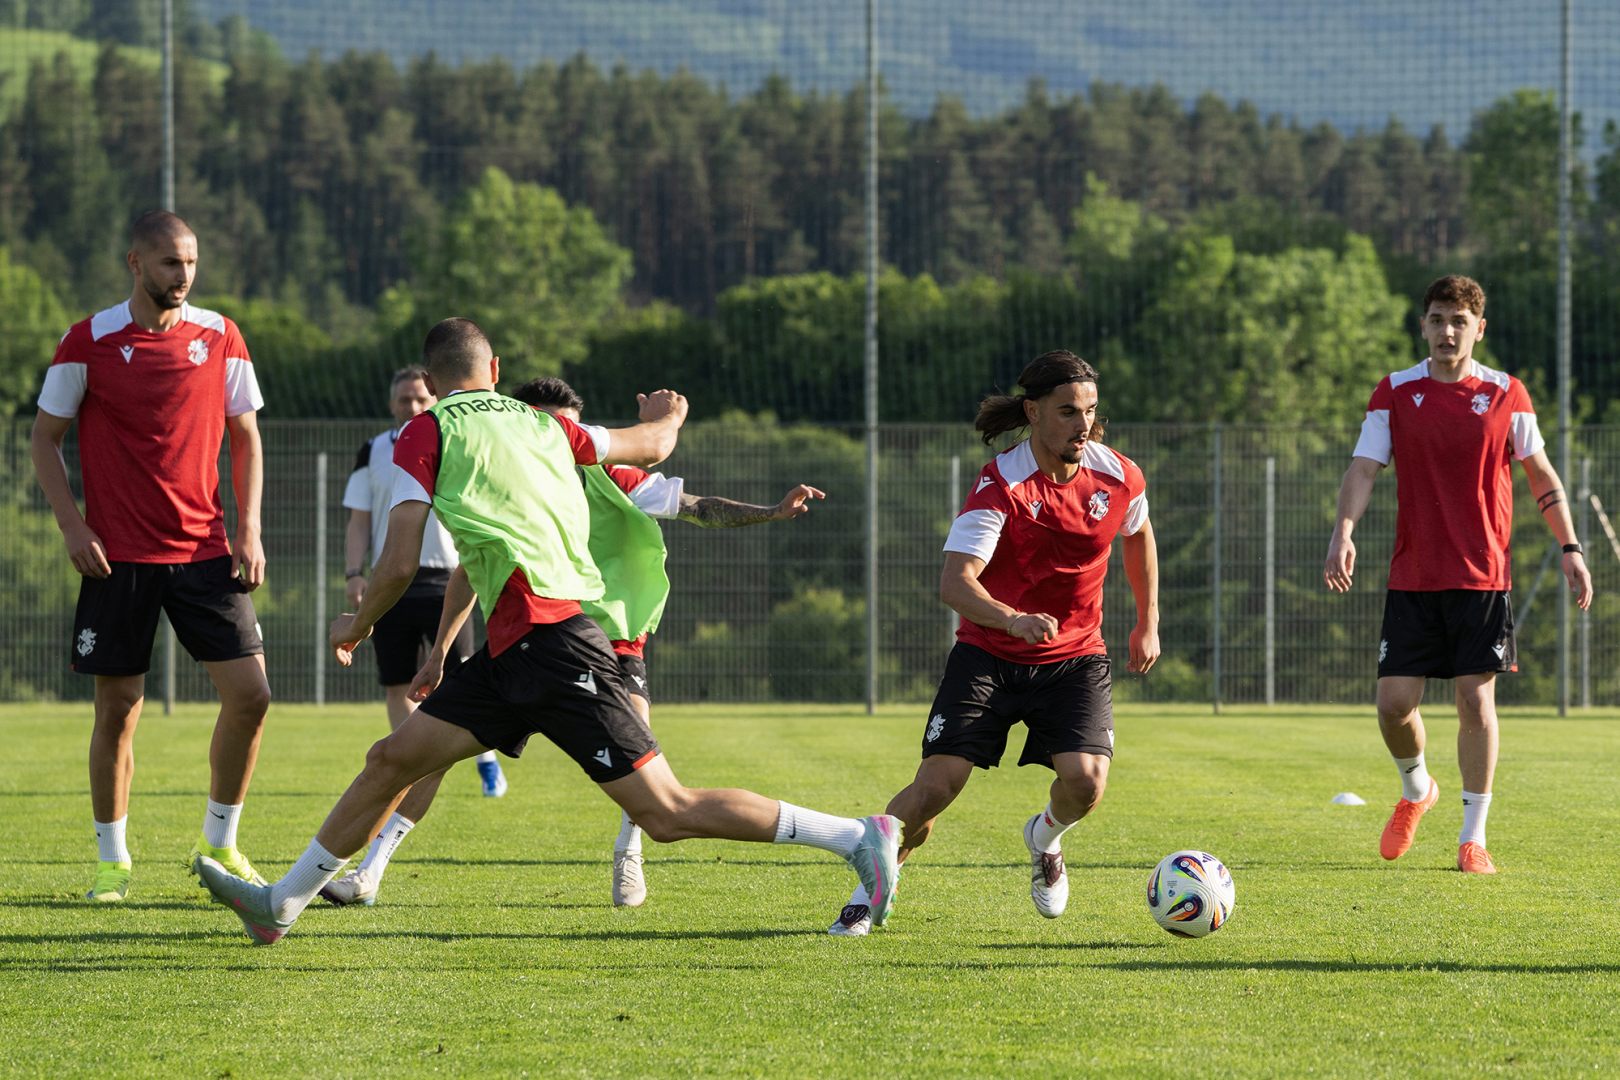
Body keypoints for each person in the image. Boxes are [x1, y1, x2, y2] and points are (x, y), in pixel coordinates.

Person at [194, 318, 898, 944]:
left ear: (432, 384)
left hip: (557, 644)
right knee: (391, 761)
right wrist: (668, 414)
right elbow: (649, 447)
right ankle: (279, 906)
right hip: (511, 654)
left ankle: (858, 838)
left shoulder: (428, 429)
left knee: (668, 812)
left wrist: (357, 621)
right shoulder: (547, 426)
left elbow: (399, 558)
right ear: (495, 372)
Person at [318, 374, 826, 910]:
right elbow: (471, 570)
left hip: (604, 638)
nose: (553, 437)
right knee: (423, 756)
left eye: (563, 428)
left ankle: (630, 851)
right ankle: (369, 871)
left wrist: (771, 510)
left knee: (648, 768)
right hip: (525, 645)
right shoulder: (506, 486)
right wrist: (442, 653)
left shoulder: (610, 476)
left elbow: (696, 506)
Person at [828, 349, 1159, 937]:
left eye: (1090, 411)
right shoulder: (1001, 486)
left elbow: (1137, 532)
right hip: (990, 655)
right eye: (1066, 412)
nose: (1082, 425)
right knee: (935, 788)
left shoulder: (1118, 474)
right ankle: (867, 891)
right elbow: (956, 582)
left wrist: (1147, 619)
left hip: (1076, 657)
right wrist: (1011, 619)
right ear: (1032, 413)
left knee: (1086, 783)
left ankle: (1045, 839)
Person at [30, 210, 272, 903]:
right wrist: (73, 526)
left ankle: (219, 843)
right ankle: (112, 862)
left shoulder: (221, 335)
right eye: (170, 263)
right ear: (135, 262)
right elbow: (44, 440)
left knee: (252, 697)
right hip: (118, 560)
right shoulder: (89, 341)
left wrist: (249, 531)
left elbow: (247, 440)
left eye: (191, 263)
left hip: (205, 552)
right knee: (119, 709)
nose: (183, 276)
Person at [1324, 274, 1592, 875]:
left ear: (1479, 329)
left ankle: (1473, 838)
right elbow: (1364, 469)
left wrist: (1570, 545)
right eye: (1438, 319)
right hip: (1412, 576)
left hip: (1482, 577)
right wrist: (1343, 531)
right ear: (1423, 325)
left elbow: (1542, 476)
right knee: (1393, 706)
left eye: (1460, 321)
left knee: (1475, 700)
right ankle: (1418, 789)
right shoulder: (1395, 392)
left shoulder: (1506, 394)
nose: (1448, 331)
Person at [342, 367, 508, 799]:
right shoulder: (373, 451)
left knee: (465, 676)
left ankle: (486, 761)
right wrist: (354, 573)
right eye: (404, 400)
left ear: (433, 398)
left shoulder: (457, 441)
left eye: (420, 399)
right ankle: (410, 763)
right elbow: (359, 521)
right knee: (398, 682)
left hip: (447, 578)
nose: (412, 407)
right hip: (391, 581)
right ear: (392, 403)